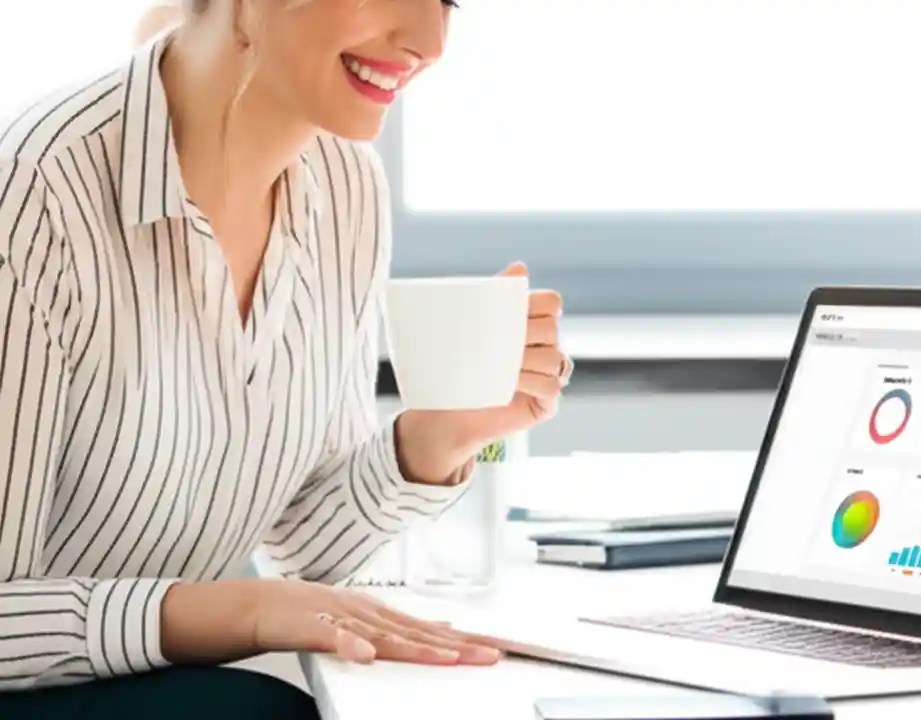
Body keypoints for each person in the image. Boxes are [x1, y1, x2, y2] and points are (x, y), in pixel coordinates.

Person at [0, 0, 571, 715]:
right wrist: (237, 615)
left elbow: (307, 549)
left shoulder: (348, 188)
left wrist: (435, 440)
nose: (428, 42)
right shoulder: (36, 193)